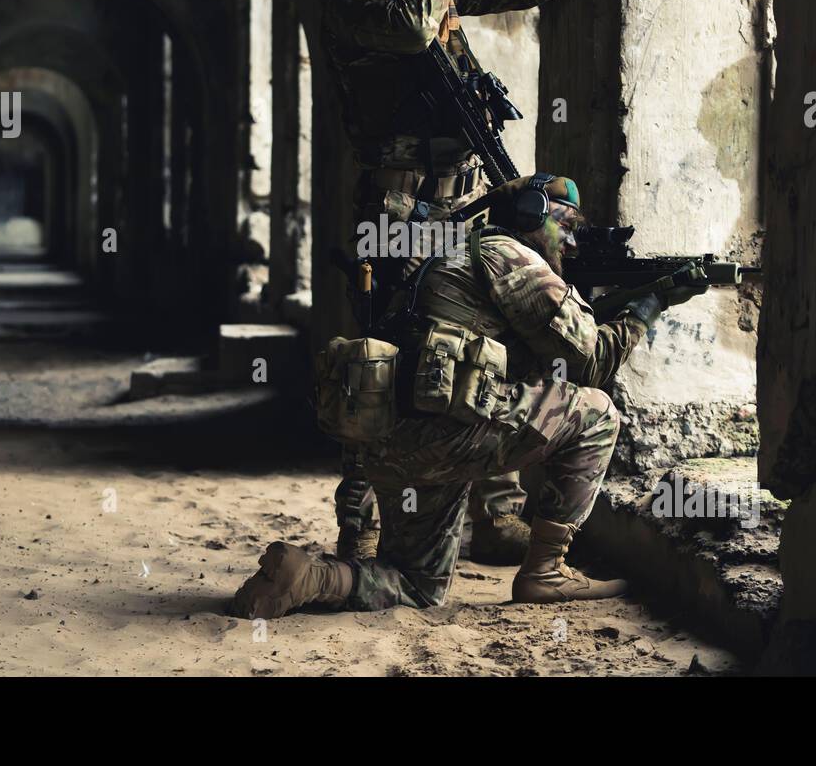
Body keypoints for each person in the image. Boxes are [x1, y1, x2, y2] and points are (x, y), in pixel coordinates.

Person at [323, 0, 678, 565]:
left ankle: (498, 513)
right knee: (392, 350)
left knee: (495, 338)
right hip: (401, 202)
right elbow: (411, 25)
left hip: (465, 191)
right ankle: (359, 519)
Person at [230, 175, 707, 617]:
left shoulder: (447, 252)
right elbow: (594, 360)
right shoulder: (511, 257)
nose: (574, 239)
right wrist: (651, 303)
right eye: (566, 225)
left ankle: (310, 576)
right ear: (529, 213)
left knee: (419, 587)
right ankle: (545, 572)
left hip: (389, 441)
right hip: (448, 434)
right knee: (598, 413)